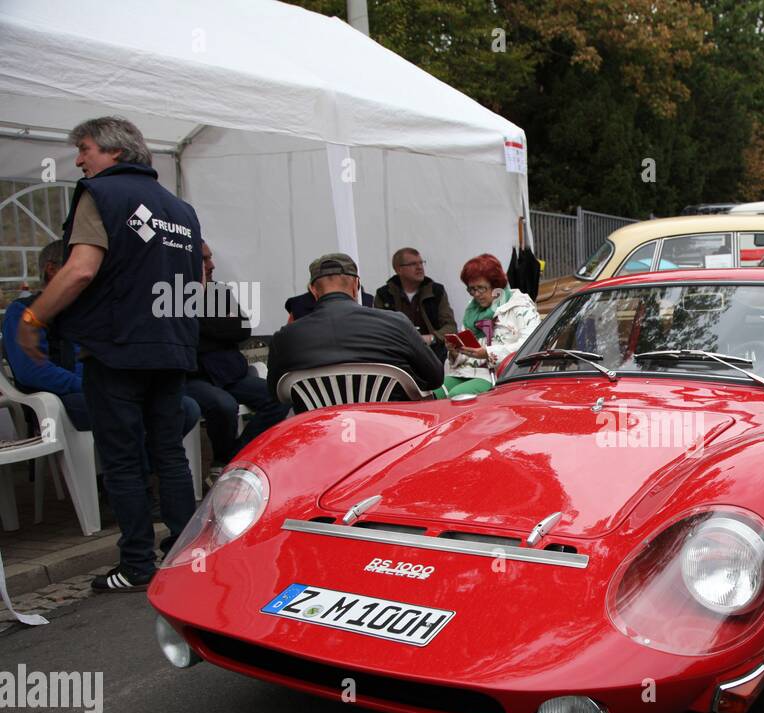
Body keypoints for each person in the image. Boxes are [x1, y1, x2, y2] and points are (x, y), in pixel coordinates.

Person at [14, 116, 202, 591]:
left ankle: (137, 565)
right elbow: (196, 279)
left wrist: (32, 319)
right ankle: (183, 549)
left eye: (85, 148)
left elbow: (79, 270)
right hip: (172, 344)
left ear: (114, 151)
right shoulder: (181, 209)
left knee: (121, 460)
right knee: (169, 453)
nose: (79, 159)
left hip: (117, 347)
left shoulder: (101, 194)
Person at [4, 240, 200, 437]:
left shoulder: (88, 310)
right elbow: (31, 371)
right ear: (52, 270)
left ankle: (144, 465)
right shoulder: (25, 311)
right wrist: (89, 384)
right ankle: (137, 466)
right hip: (61, 398)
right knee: (133, 412)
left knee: (186, 407)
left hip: (105, 389)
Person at [266, 253, 443, 407]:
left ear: (313, 290)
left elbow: (276, 394)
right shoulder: (396, 323)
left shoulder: (285, 338)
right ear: (356, 285)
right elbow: (435, 377)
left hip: (321, 436)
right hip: (391, 431)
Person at [185, 243, 289, 484]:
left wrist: (203, 326)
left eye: (210, 258)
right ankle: (225, 459)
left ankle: (232, 458)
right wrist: (218, 326)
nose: (212, 265)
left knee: (278, 396)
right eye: (204, 259)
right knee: (223, 406)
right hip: (194, 377)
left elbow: (242, 328)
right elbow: (188, 334)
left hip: (231, 374)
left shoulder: (220, 292)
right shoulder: (173, 295)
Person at [441, 253, 541, 397]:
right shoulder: (472, 310)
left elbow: (531, 345)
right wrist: (456, 352)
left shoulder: (520, 306)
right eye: (471, 289)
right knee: (433, 393)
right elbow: (467, 354)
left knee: (457, 395)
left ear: (496, 285)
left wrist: (488, 353)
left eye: (481, 288)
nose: (476, 294)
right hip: (466, 371)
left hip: (501, 375)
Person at [372, 247, 456, 355]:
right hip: (397, 352)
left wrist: (431, 338)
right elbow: (379, 329)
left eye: (421, 263)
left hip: (433, 351)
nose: (419, 267)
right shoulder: (384, 294)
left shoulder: (436, 291)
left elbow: (451, 327)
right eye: (413, 264)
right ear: (398, 269)